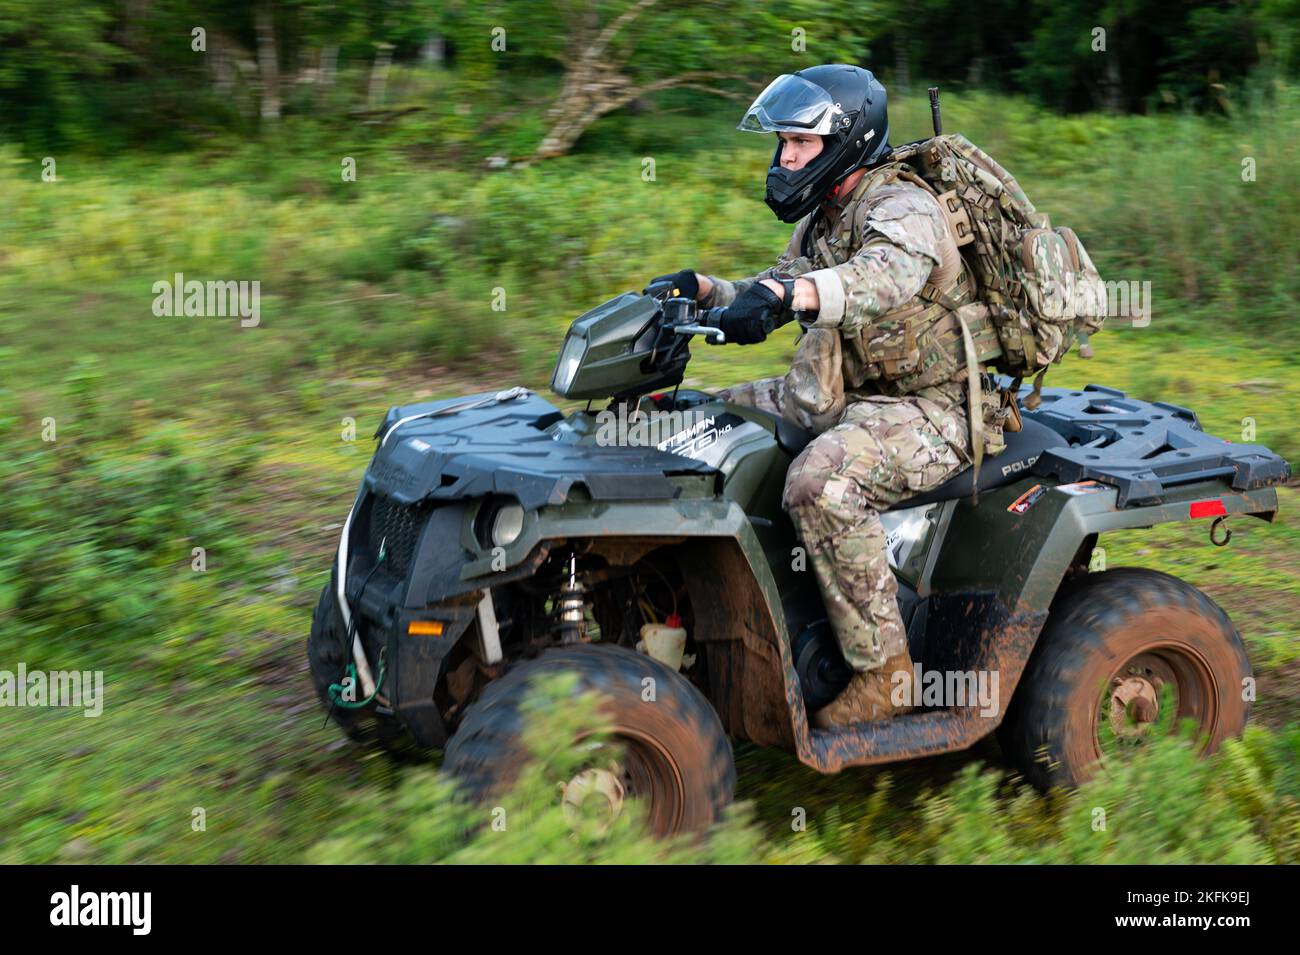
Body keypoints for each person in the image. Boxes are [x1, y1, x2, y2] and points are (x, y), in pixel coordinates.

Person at [646, 65, 1008, 729]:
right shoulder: (823, 216)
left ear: (845, 142)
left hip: (938, 408)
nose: (785, 156)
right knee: (696, 423)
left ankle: (884, 671)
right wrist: (702, 289)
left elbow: (877, 281)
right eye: (781, 141)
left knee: (819, 480)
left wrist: (790, 296)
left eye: (799, 143)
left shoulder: (905, 208)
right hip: (843, 394)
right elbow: (781, 286)